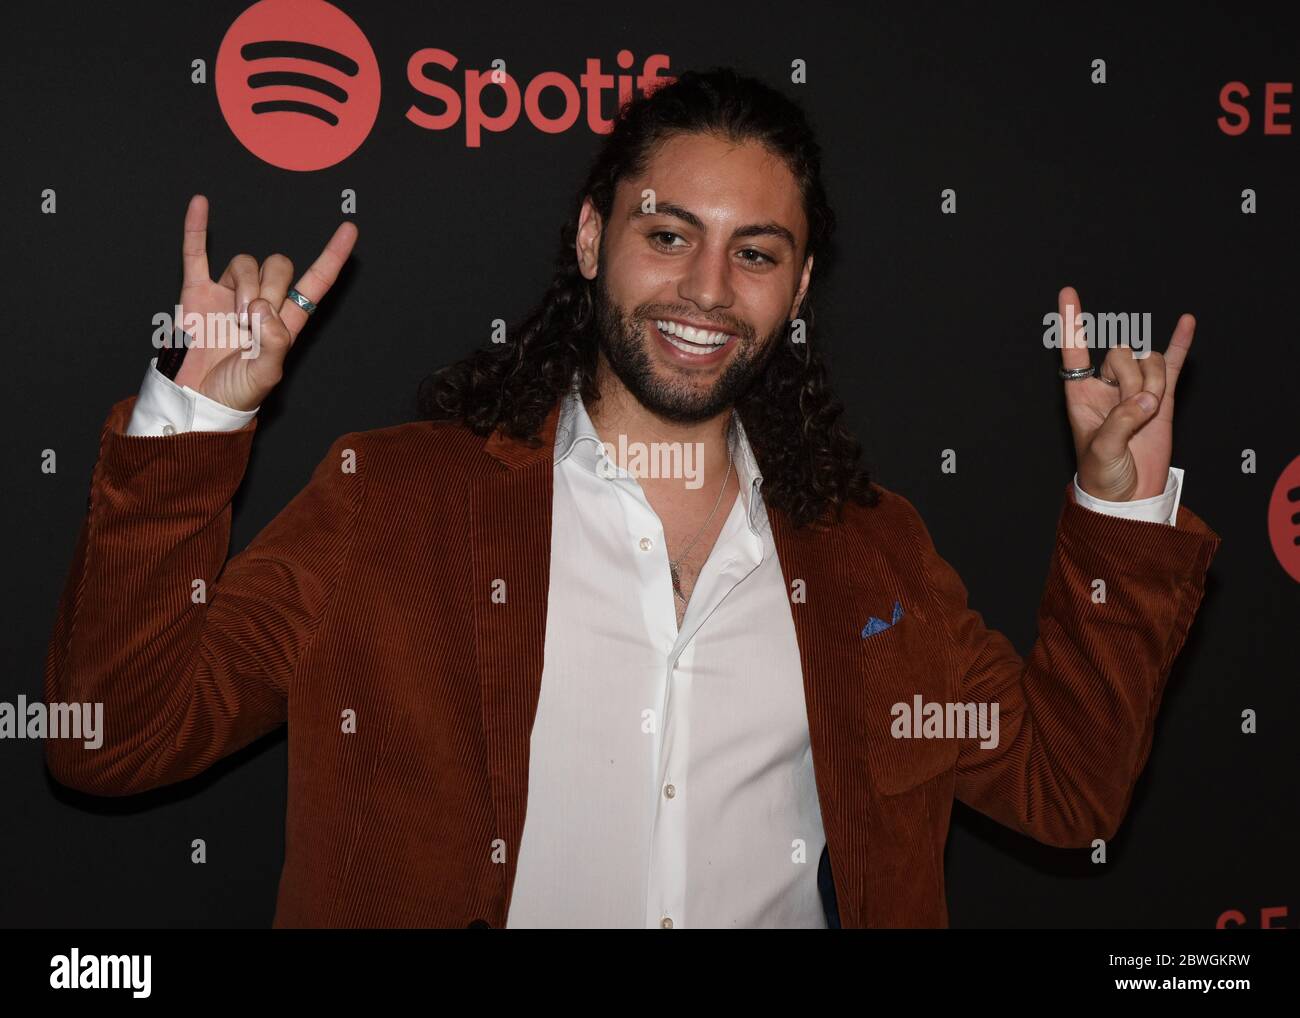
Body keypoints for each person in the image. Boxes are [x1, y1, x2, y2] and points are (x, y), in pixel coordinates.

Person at [44, 67, 1221, 928]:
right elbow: (115, 744)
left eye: (756, 253)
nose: (706, 290)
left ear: (799, 285)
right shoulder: (391, 502)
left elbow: (1066, 793)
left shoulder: (873, 555)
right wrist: (197, 422)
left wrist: (1120, 508)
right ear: (594, 235)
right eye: (668, 234)